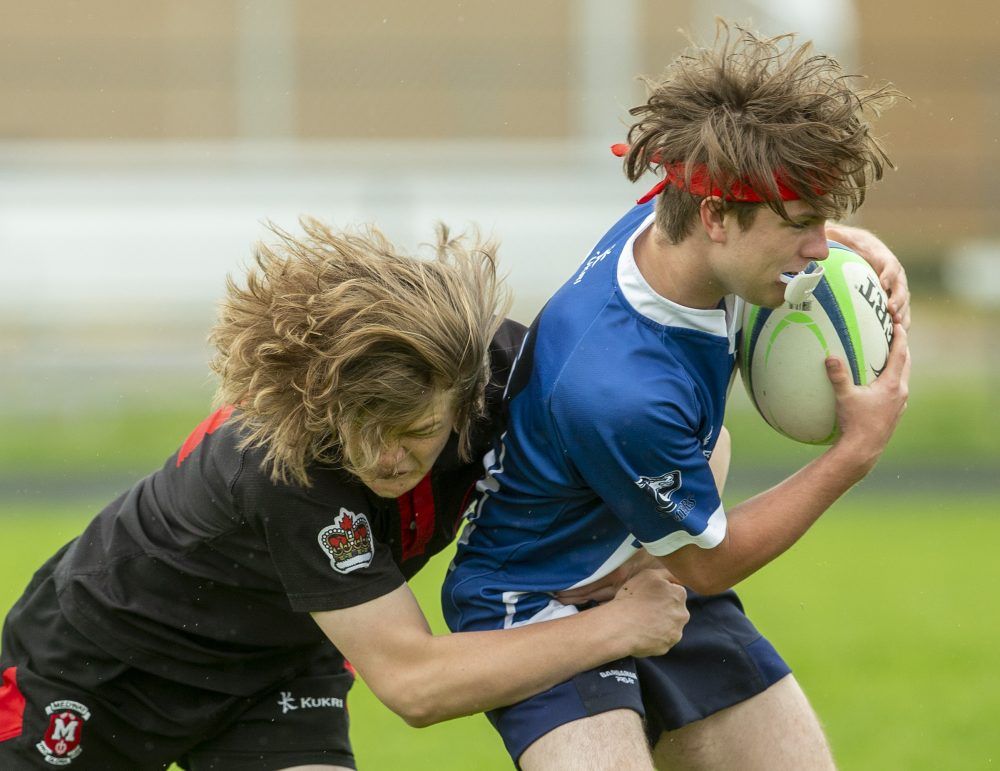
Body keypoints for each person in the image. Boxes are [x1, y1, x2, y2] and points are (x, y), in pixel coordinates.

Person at [0, 219, 690, 770]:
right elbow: (414, 682)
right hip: (96, 671)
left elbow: (660, 406)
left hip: (275, 668)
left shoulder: (497, 374)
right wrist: (618, 626)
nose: (389, 459)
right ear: (326, 402)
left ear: (465, 394)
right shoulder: (284, 469)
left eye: (418, 432)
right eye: (367, 431)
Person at [443, 23, 911, 770]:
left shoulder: (677, 223)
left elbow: (681, 567)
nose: (820, 248)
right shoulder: (621, 386)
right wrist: (856, 451)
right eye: (802, 227)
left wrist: (859, 245)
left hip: (647, 553)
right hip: (544, 597)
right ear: (719, 217)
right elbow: (706, 565)